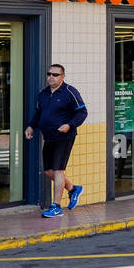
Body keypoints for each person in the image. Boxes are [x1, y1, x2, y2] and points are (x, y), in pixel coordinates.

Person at [25, 64, 88, 218]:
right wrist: (31, 126)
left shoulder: (69, 92)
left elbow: (82, 112)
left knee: (58, 170)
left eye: (55, 74)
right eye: (49, 74)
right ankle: (73, 189)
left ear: (62, 76)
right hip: (49, 137)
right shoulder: (43, 94)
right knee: (48, 170)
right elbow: (39, 113)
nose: (51, 77)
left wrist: (69, 125)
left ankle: (56, 206)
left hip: (64, 137)